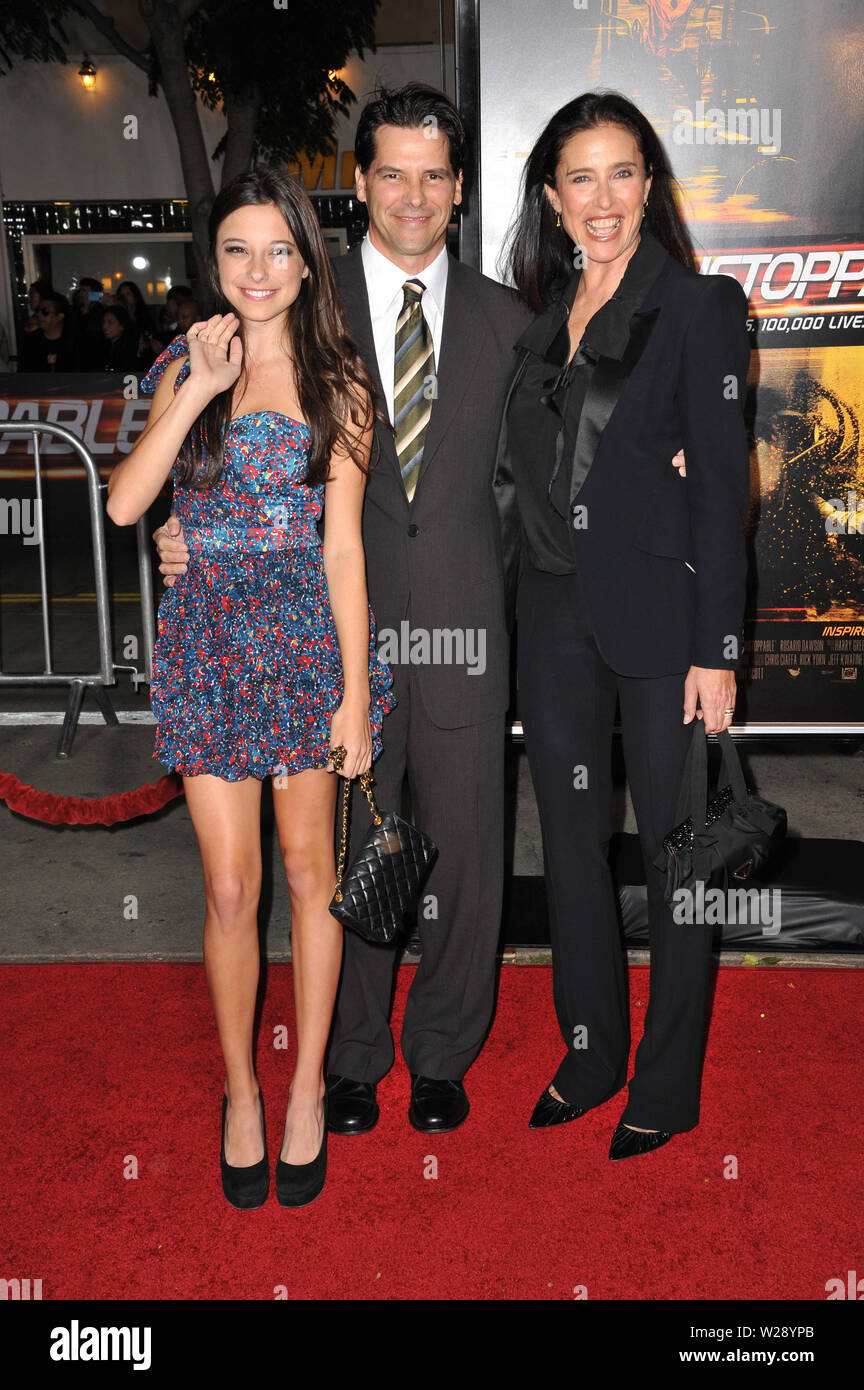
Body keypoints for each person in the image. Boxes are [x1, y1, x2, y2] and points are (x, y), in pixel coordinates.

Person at [155, 84, 534, 1137]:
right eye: (391, 172)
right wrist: (181, 530)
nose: (411, 195)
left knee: (461, 845)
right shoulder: (307, 317)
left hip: (462, 628)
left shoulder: (511, 323)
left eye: (433, 175)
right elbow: (211, 461)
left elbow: (553, 472)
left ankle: (445, 1051)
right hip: (326, 636)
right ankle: (352, 1056)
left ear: (459, 191)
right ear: (358, 182)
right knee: (354, 851)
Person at [107, 167, 395, 1208]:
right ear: (213, 260)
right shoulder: (183, 360)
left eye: (279, 249)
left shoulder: (342, 379)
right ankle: (241, 1091)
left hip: (305, 647)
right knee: (231, 889)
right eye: (237, 249)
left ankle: (308, 1082)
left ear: (306, 258)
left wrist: (356, 696)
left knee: (311, 876)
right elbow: (129, 503)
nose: (258, 270)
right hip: (207, 647)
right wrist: (196, 390)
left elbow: (347, 552)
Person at [495, 91, 750, 1158]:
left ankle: (667, 1079)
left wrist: (717, 650)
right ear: (552, 199)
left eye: (623, 172)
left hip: (662, 622)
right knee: (572, 849)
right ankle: (593, 1049)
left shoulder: (699, 308)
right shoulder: (540, 318)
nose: (603, 199)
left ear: (650, 184)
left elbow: (723, 493)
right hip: (550, 613)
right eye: (580, 178)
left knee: (677, 859)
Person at [18, 291, 76, 372]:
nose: (39, 314)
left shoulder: (74, 342)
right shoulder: (31, 341)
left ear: (60, 316)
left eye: (45, 311)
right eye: (38, 310)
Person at [100, 303, 145, 371]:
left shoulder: (129, 350)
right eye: (103, 322)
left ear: (122, 326)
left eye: (110, 322)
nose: (104, 326)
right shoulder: (104, 346)